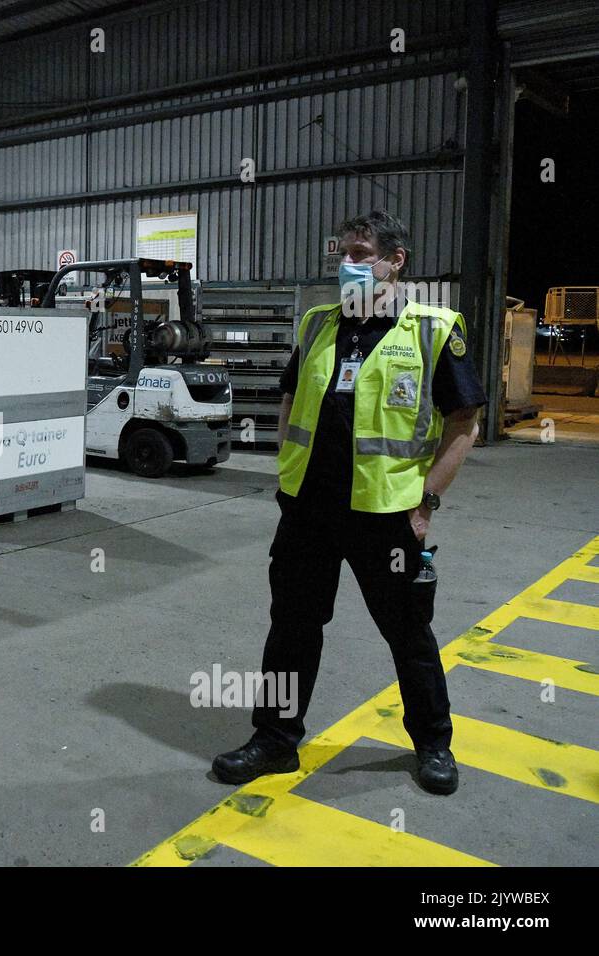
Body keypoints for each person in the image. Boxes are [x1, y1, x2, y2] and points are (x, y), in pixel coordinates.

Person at [212, 210, 486, 795]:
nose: (349, 265)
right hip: (308, 512)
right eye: (343, 254)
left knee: (408, 633)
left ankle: (434, 745)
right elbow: (289, 398)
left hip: (387, 517)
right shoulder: (317, 324)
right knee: (291, 626)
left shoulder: (433, 329)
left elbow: (465, 423)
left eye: (362, 254)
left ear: (395, 261)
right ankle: (275, 740)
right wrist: (288, 469)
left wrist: (426, 504)